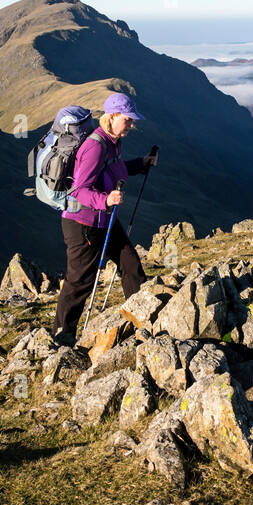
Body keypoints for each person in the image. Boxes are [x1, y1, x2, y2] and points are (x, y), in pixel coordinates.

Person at [53, 93, 156, 342]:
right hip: (82, 223)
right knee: (80, 282)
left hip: (104, 218)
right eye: (128, 120)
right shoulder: (94, 146)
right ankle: (61, 336)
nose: (131, 125)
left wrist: (140, 164)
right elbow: (79, 189)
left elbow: (114, 169)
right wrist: (105, 200)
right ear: (112, 116)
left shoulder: (113, 142)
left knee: (130, 264)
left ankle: (144, 321)